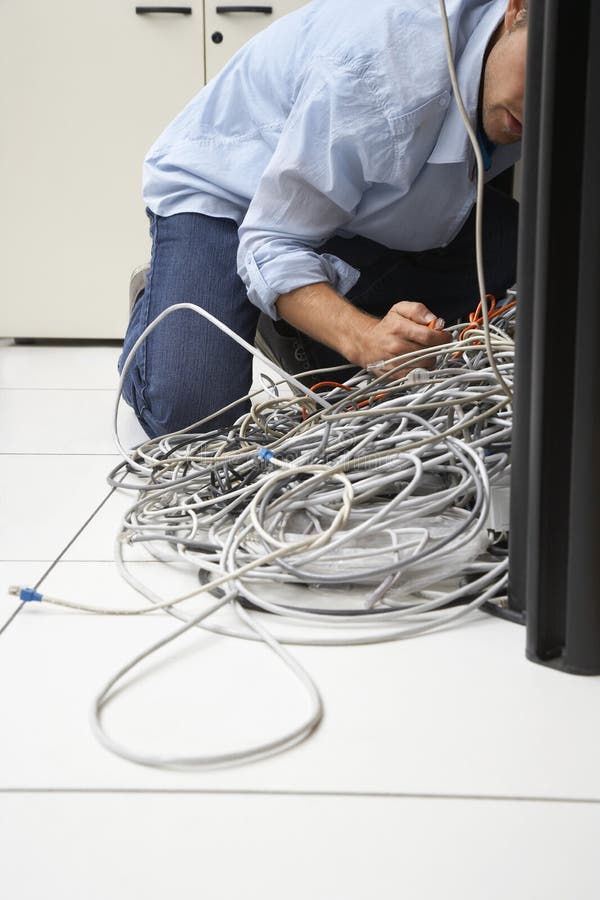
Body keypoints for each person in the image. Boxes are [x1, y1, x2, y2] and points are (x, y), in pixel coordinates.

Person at [119, 0, 527, 439]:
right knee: (192, 414)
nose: (540, 109)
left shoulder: (519, 86)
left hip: (346, 201)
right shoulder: (382, 77)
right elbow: (271, 241)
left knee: (529, 248)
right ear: (518, 10)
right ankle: (166, 297)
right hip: (229, 192)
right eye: (539, 73)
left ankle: (289, 322)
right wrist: (365, 338)